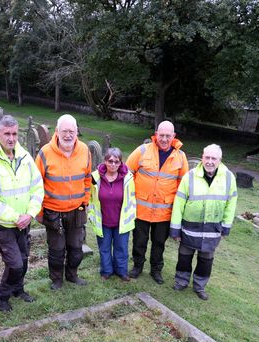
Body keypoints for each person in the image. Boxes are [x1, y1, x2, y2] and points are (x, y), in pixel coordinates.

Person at [0, 115, 44, 312]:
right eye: (7, 133)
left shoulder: (25, 157)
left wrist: (30, 214)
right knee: (14, 264)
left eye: (14, 133)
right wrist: (17, 218)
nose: (11, 138)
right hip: (3, 225)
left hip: (24, 222)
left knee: (23, 261)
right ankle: (1, 297)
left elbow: (37, 188)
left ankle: (18, 290)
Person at [170, 144, 237, 301]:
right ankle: (181, 281)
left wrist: (226, 227)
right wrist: (175, 228)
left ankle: (199, 286)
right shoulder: (190, 176)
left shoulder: (228, 178)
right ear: (202, 157)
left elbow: (231, 204)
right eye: (207, 157)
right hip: (189, 227)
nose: (210, 161)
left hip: (212, 229)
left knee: (206, 260)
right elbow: (179, 203)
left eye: (214, 158)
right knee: (184, 257)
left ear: (220, 160)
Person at [125, 120, 189, 284]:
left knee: (159, 243)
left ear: (174, 136)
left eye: (168, 136)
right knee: (139, 241)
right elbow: (126, 173)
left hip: (164, 212)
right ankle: (137, 266)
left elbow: (184, 186)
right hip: (141, 209)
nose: (164, 139)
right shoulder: (142, 150)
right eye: (162, 135)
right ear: (156, 134)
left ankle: (156, 270)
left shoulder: (181, 157)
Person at [35, 114, 92, 290]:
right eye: (65, 131)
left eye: (72, 131)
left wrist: (86, 201)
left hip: (77, 209)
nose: (68, 135)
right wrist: (39, 212)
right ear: (57, 132)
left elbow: (87, 178)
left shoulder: (84, 150)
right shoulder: (45, 153)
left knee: (76, 247)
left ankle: (72, 274)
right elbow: (36, 184)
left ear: (77, 132)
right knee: (57, 250)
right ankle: (57, 279)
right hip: (53, 211)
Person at [88, 147, 136, 280]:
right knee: (104, 248)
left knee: (121, 248)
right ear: (105, 161)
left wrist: (131, 216)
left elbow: (132, 198)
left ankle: (121, 271)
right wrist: (91, 214)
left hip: (122, 221)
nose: (113, 164)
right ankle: (106, 271)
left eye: (116, 161)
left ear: (121, 163)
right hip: (103, 221)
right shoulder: (95, 177)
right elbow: (90, 198)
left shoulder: (128, 178)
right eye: (110, 161)